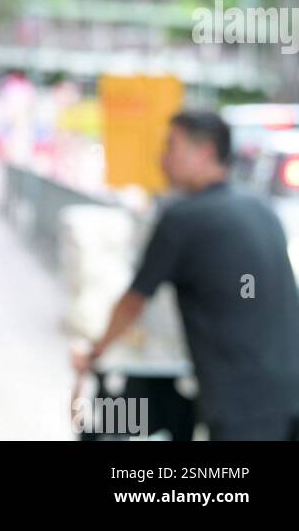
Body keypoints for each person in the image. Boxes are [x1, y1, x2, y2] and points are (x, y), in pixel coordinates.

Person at [73, 111, 299, 440]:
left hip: (243, 404)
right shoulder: (263, 210)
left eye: (172, 146)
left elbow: (134, 302)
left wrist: (93, 353)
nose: (163, 158)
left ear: (205, 152)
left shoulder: (183, 219)